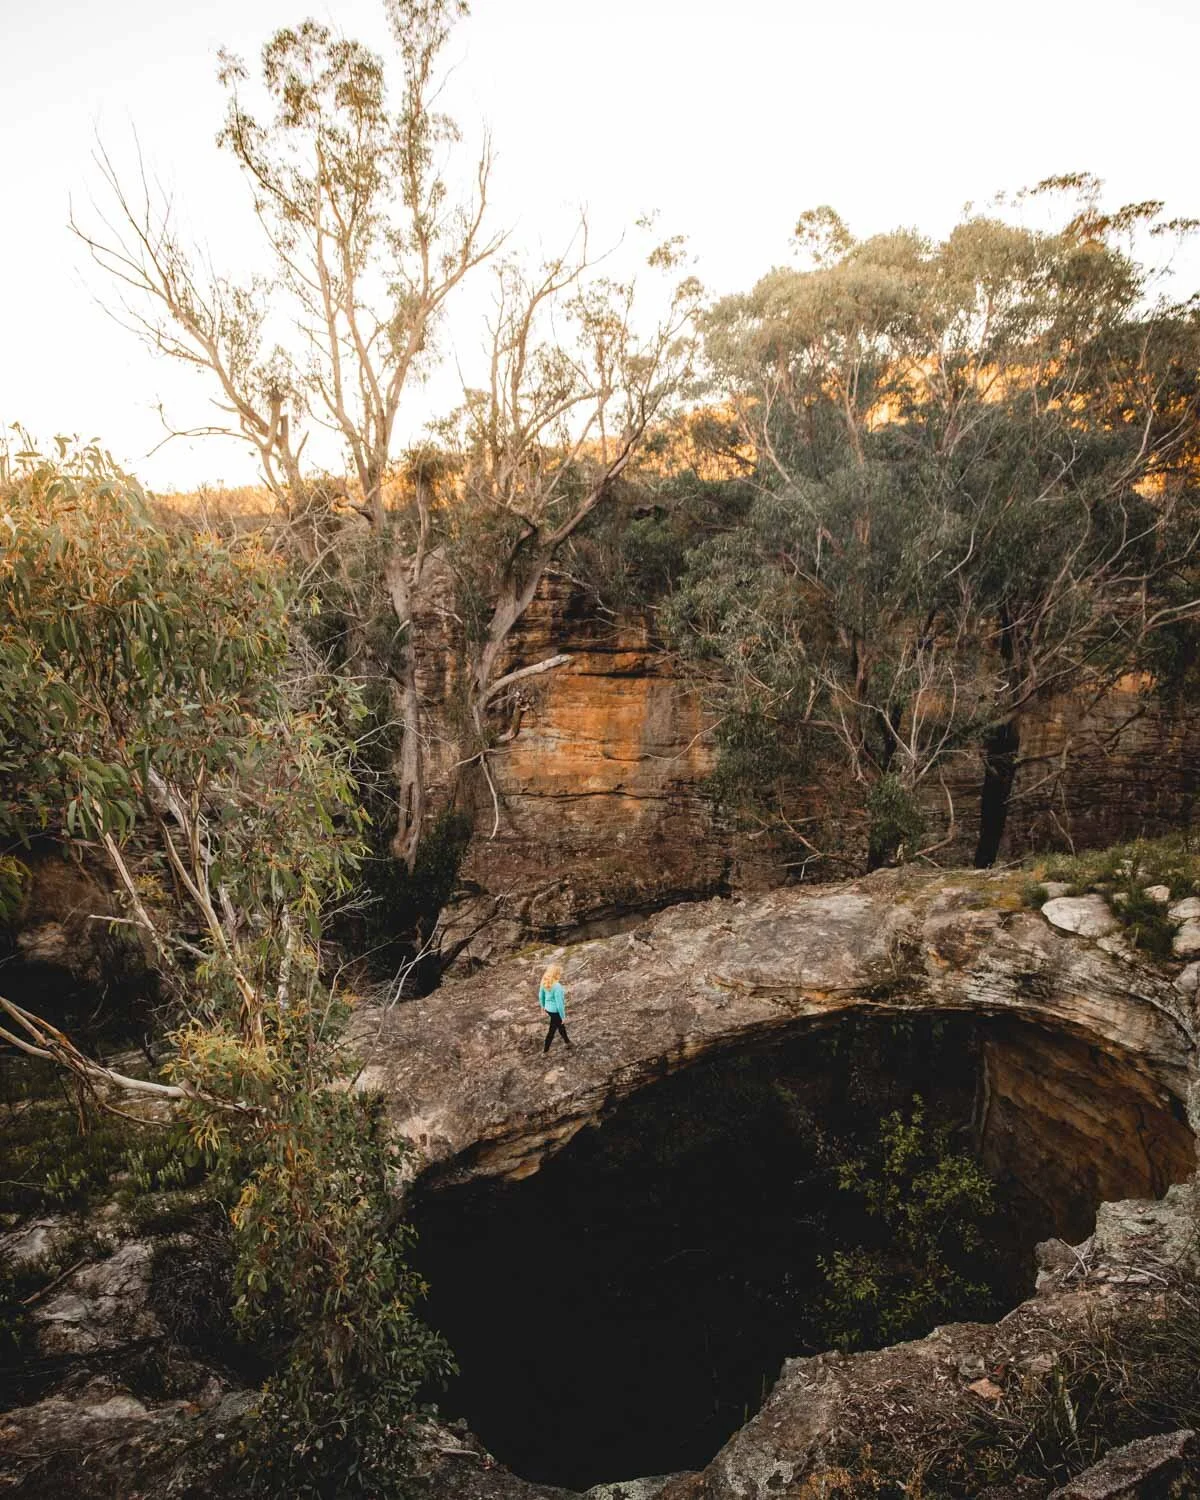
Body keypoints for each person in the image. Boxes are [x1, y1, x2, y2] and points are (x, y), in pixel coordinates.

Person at [538, 962, 572, 1053]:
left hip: (548, 1009)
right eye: (559, 973)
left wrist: (543, 1007)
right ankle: (545, 1051)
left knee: (560, 1027)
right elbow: (559, 1004)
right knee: (552, 1030)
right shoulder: (557, 986)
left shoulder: (544, 981)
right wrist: (563, 1016)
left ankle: (568, 1042)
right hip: (556, 1011)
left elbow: (541, 996)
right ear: (556, 974)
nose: (560, 974)